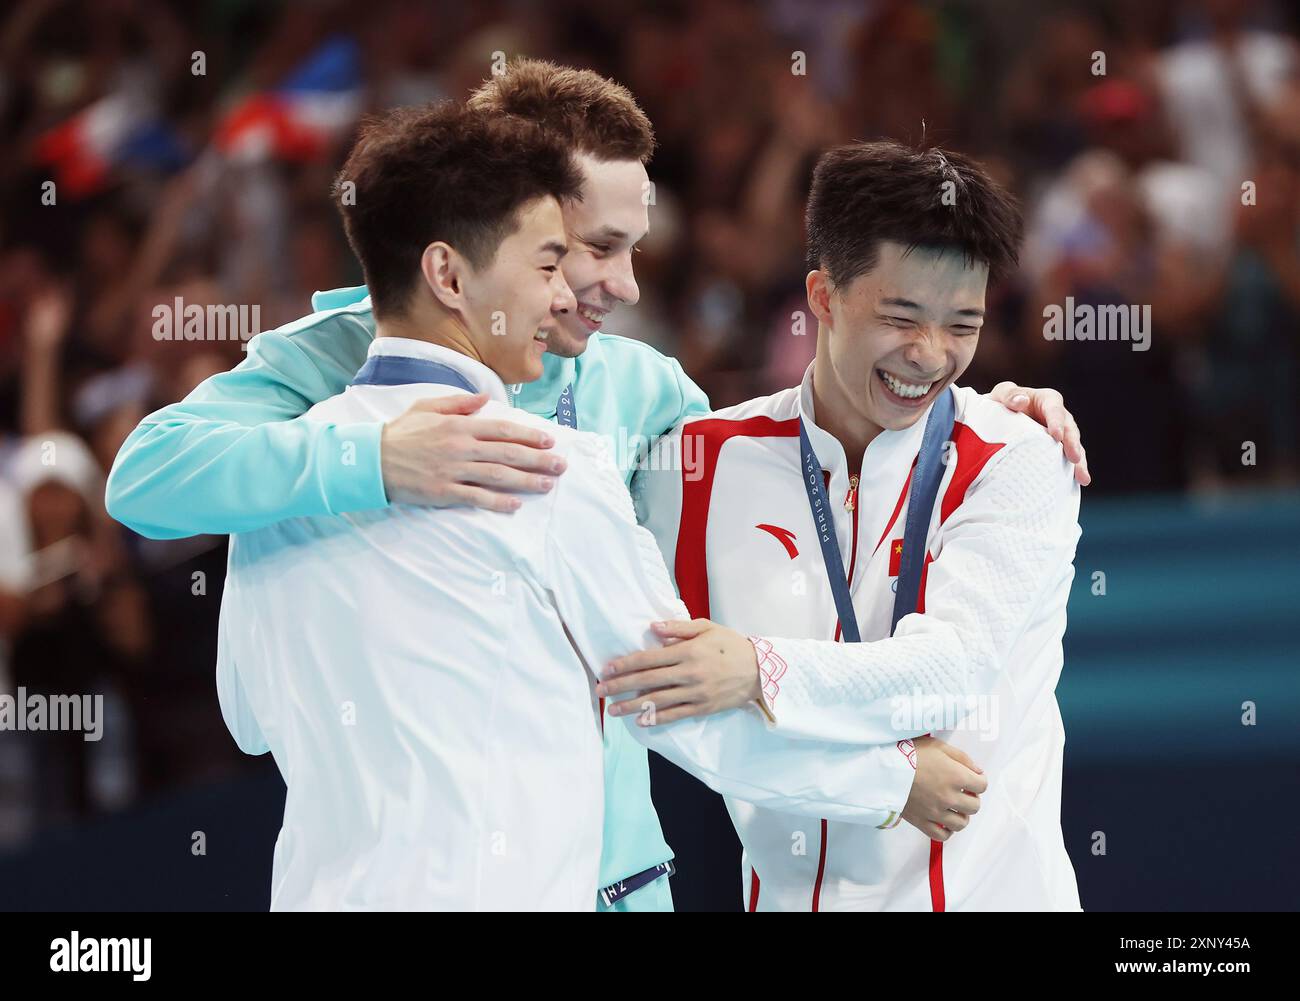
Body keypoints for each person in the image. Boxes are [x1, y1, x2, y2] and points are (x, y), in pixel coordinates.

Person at [107, 60, 1088, 911]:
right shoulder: (326, 378)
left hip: (580, 875)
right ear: (503, 227)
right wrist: (374, 464)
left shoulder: (645, 388)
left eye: (636, 244)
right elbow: (146, 478)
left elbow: (249, 711)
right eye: (584, 250)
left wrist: (981, 409)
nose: (618, 283)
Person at [619, 140, 1082, 911]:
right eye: (901, 316)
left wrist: (755, 669)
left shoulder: (1018, 458)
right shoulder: (695, 467)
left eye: (961, 324)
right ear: (823, 296)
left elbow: (948, 674)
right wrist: (881, 782)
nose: (929, 356)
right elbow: (646, 695)